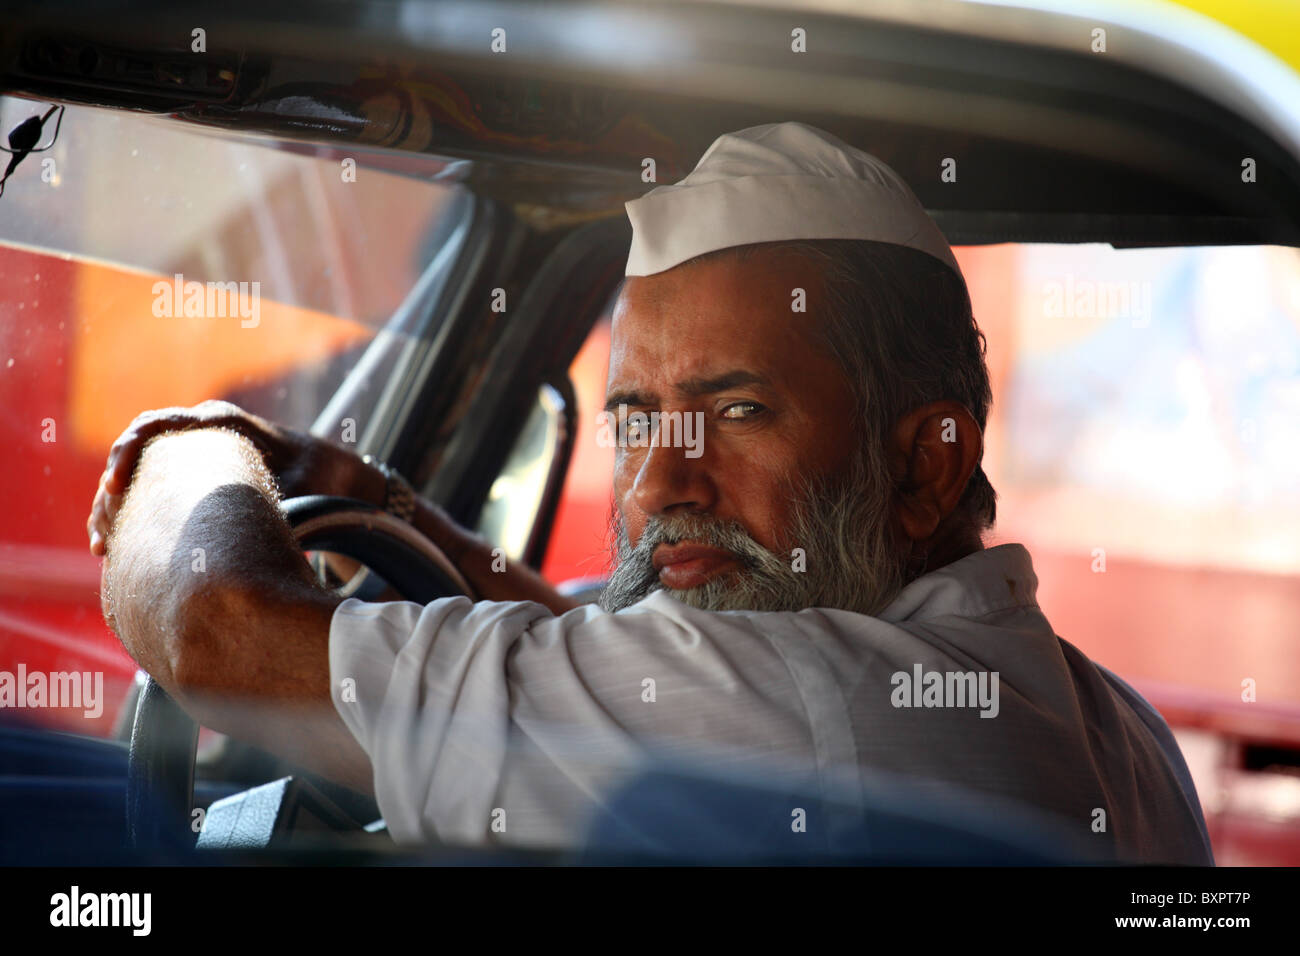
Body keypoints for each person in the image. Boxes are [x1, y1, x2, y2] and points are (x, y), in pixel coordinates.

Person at [87, 122, 1213, 863]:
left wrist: (194, 444)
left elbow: (210, 628)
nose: (663, 478)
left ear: (927, 459)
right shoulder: (1114, 721)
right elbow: (618, 664)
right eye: (634, 417)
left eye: (738, 410)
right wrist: (398, 510)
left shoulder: (809, 699)